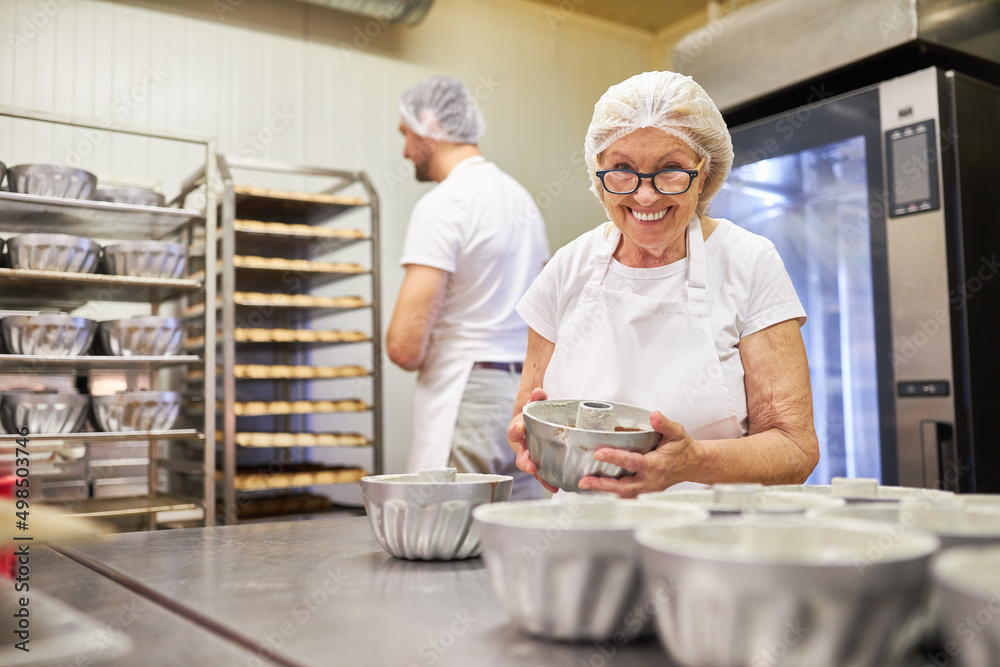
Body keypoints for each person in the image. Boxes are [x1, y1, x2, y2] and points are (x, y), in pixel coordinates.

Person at [507, 71, 819, 498]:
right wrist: (531, 441)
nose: (646, 196)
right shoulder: (567, 268)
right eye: (621, 169)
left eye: (670, 169)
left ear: (704, 172)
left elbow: (796, 449)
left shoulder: (749, 262)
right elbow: (528, 416)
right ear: (598, 172)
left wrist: (693, 464)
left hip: (708, 545)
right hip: (583, 544)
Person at [387, 74, 550, 500]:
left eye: (406, 134)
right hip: (529, 400)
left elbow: (404, 346)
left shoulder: (443, 205)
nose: (405, 150)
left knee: (449, 537)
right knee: (520, 539)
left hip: (468, 396)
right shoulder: (523, 202)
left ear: (430, 126)